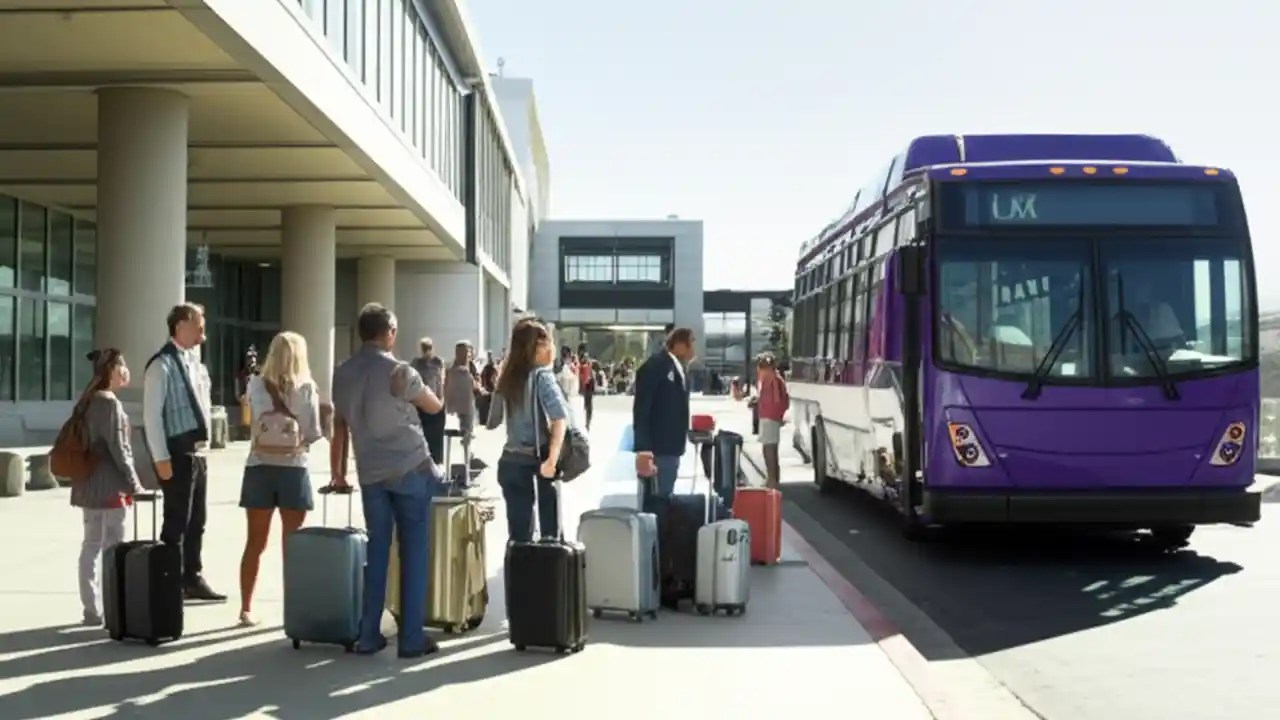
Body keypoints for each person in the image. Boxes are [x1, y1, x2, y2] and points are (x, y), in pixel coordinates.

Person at [330, 303, 444, 658]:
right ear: (389, 332)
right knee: (413, 552)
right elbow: (434, 406)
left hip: (370, 472)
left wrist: (338, 472)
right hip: (409, 467)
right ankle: (411, 637)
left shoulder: (342, 373)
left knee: (377, 550)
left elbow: (340, 426)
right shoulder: (399, 371)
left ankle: (368, 634)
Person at [237, 331, 324, 627]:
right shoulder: (308, 387)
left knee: (255, 543)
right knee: (293, 545)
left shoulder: (256, 384)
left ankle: (246, 608)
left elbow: (248, 422)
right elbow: (312, 432)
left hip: (259, 467)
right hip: (294, 469)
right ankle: (293, 608)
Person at [143, 302, 224, 602]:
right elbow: (151, 417)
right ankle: (169, 580)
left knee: (196, 521)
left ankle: (192, 576)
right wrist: (160, 458)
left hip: (197, 454)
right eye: (199, 325)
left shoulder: (195, 363)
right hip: (176, 453)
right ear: (181, 325)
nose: (203, 331)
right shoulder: (160, 365)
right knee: (176, 522)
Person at [71, 348, 147, 626]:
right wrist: (134, 483)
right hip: (111, 487)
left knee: (90, 544)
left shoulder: (87, 401)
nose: (126, 370)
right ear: (111, 371)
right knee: (113, 547)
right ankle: (113, 606)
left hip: (88, 484)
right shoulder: (109, 403)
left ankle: (91, 608)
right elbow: (120, 449)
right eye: (122, 366)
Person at [485, 319, 569, 543]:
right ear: (537, 346)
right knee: (549, 540)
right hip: (536, 463)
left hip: (509, 463)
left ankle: (517, 576)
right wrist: (551, 461)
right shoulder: (543, 376)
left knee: (518, 538)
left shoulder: (506, 377)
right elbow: (559, 419)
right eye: (548, 342)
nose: (551, 348)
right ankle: (544, 578)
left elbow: (491, 422)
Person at [633, 327, 697, 501]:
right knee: (656, 500)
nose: (693, 352)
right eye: (691, 346)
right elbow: (642, 408)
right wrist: (643, 450)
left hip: (671, 447)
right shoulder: (656, 366)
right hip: (657, 448)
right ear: (679, 345)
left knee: (665, 497)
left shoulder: (679, 369)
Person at [444, 340, 481, 476]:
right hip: (458, 411)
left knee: (466, 439)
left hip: (461, 409)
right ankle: (465, 470)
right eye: (465, 352)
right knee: (465, 438)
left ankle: (466, 467)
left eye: (468, 352)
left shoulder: (458, 369)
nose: (467, 355)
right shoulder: (458, 371)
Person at [755, 354, 791, 489]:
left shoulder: (771, 379)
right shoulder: (774, 379)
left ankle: (772, 480)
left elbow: (775, 400)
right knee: (770, 449)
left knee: (769, 449)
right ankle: (772, 478)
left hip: (769, 417)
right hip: (770, 416)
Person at [410, 337, 447, 463]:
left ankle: (436, 460)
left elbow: (441, 381)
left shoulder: (438, 362)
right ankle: (423, 459)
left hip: (436, 400)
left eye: (429, 348)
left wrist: (441, 399)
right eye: (424, 348)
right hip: (421, 401)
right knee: (423, 432)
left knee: (436, 433)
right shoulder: (416, 363)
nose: (426, 351)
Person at [577, 344, 596, 430]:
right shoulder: (580, 360)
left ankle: (587, 423)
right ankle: (586, 423)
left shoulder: (586, 360)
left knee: (588, 406)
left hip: (588, 385)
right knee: (586, 406)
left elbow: (590, 372)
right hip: (584, 384)